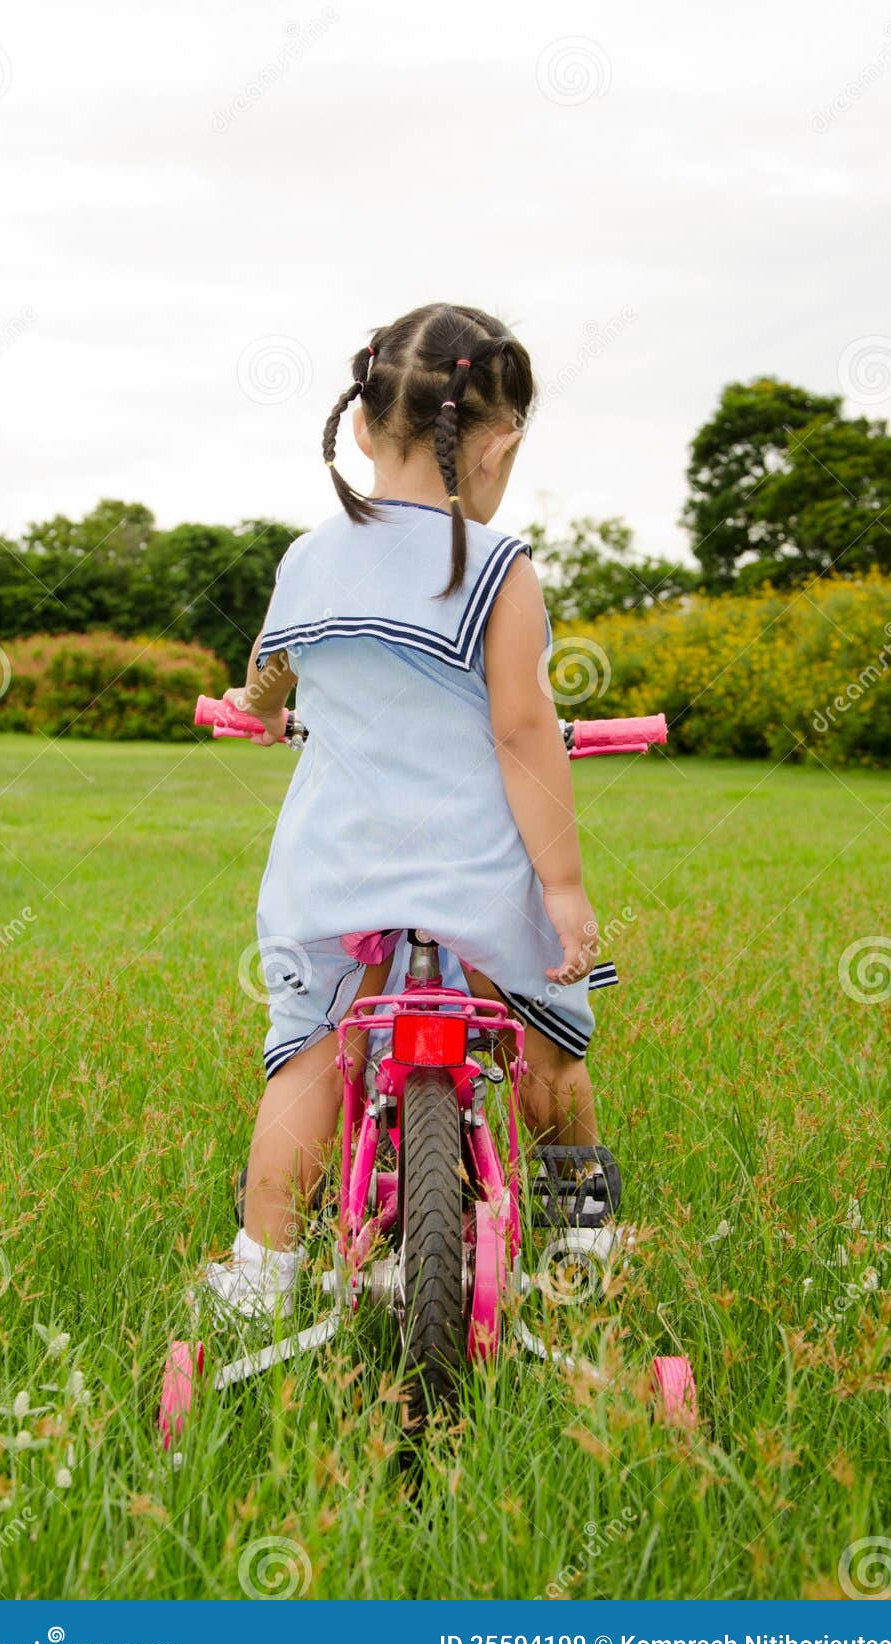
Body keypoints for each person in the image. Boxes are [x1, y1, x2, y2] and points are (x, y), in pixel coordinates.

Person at [205, 303, 615, 1320]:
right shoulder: (497, 568)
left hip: (331, 867)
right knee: (545, 1040)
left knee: (306, 1053)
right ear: (499, 441)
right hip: (474, 870)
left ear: (359, 424)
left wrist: (257, 712)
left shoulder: (307, 559)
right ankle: (582, 1237)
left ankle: (261, 1271)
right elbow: (523, 733)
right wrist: (561, 888)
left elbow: (267, 675)